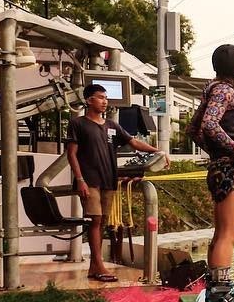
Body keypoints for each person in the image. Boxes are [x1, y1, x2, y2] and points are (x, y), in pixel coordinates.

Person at [66, 82, 166, 282]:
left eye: (106, 98)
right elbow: (72, 154)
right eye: (100, 97)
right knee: (94, 220)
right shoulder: (78, 124)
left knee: (102, 221)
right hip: (90, 180)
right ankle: (99, 265)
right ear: (89, 100)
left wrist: (157, 151)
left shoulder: (112, 126)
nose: (105, 101)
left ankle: (94, 267)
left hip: (109, 180)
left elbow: (133, 142)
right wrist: (80, 180)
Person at [187, 44, 234, 302]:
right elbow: (209, 125)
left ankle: (216, 286)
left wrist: (215, 153)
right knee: (230, 233)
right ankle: (220, 292)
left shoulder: (213, 90)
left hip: (220, 166)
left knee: (221, 234)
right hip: (230, 169)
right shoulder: (226, 90)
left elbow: (194, 129)